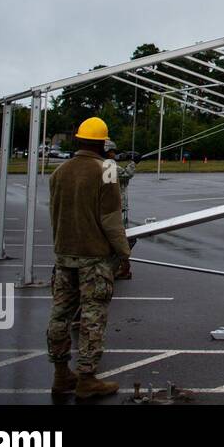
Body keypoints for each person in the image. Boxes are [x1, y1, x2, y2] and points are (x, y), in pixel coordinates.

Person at [46, 117, 131, 398]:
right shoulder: (106, 169)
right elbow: (110, 218)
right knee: (92, 317)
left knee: (60, 315)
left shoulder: (60, 171)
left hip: (64, 254)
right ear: (101, 143)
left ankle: (61, 374)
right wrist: (123, 252)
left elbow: (54, 212)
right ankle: (87, 378)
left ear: (79, 140)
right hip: (93, 257)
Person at [105, 140, 138, 280]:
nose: (114, 154)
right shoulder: (108, 164)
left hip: (113, 206)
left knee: (122, 239)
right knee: (125, 239)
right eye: (112, 151)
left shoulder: (105, 164)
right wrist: (134, 162)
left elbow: (120, 179)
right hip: (118, 207)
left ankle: (123, 268)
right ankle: (115, 267)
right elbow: (126, 174)